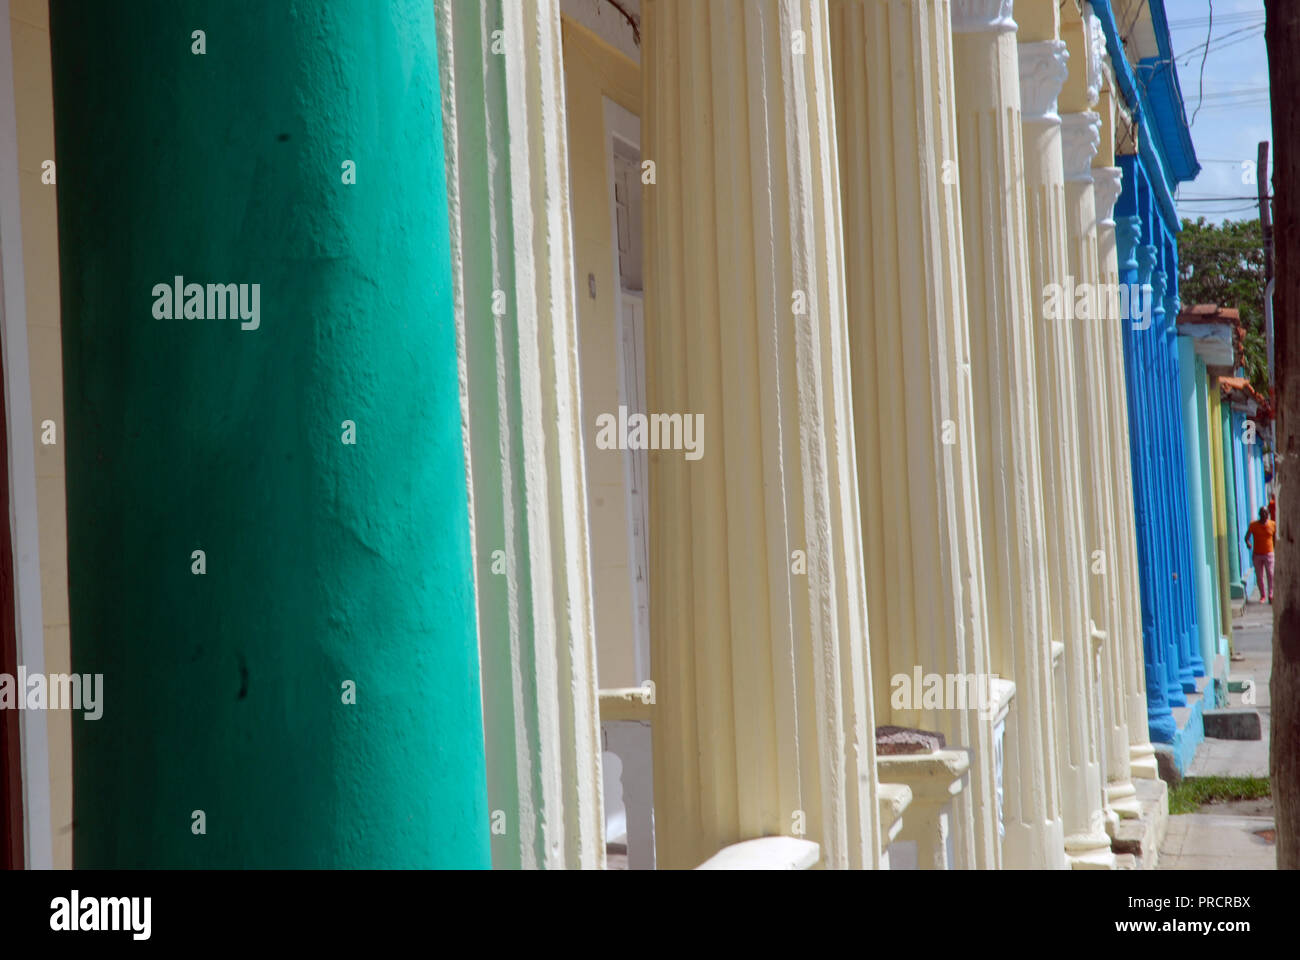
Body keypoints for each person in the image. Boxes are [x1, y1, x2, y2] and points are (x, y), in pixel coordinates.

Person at [1245, 506, 1276, 603]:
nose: (1264, 515)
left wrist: (1275, 548)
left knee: (1270, 574)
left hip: (1269, 554)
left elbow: (1276, 537)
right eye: (1262, 513)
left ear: (1268, 515)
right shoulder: (1253, 525)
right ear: (1259, 514)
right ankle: (1263, 595)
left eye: (1266, 513)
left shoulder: (1272, 524)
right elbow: (1246, 537)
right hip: (1257, 555)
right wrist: (1248, 543)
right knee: (1259, 576)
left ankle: (1271, 594)